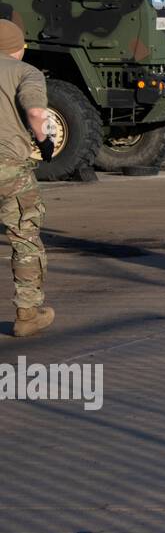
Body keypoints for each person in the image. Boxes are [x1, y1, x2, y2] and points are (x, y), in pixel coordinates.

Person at [0, 19, 56, 336]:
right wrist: (45, 141)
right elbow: (36, 113)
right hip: (9, 168)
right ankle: (26, 314)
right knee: (24, 237)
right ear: (19, 48)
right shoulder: (26, 71)